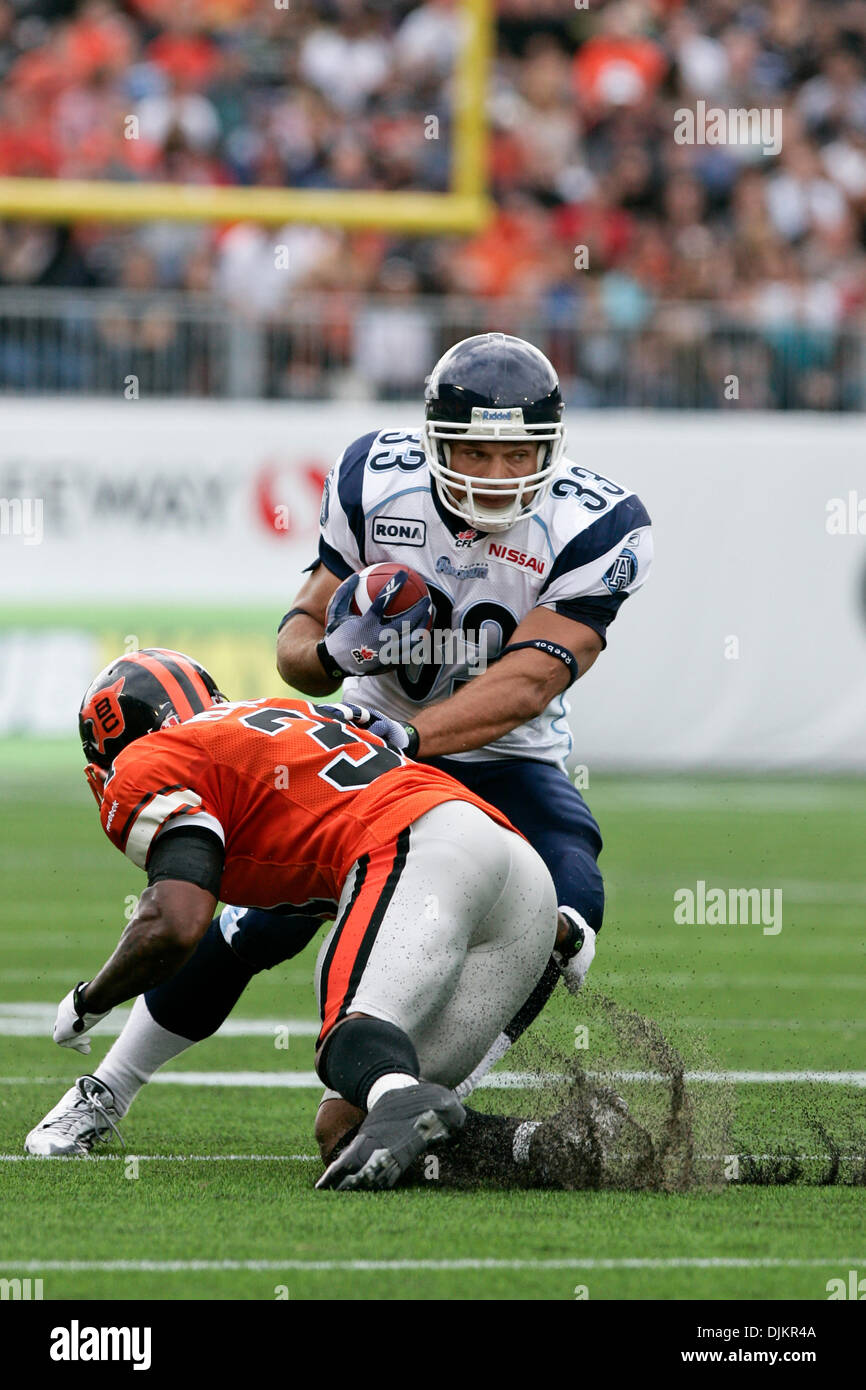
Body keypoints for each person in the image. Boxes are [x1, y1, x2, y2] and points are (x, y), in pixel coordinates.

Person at [26, 333, 652, 1159]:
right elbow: (300, 642)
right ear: (435, 441)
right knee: (253, 922)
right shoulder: (376, 478)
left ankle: (428, 1106)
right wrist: (333, 655)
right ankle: (103, 1091)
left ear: (552, 448)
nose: (498, 473)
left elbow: (530, 681)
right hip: (367, 745)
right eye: (476, 450)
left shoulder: (598, 523)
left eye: (518, 453)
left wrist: (417, 734)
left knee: (568, 914)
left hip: (509, 755)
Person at [26, 647, 559, 1190]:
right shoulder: (287, 715)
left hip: (411, 847)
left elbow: (175, 922)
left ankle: (399, 1092)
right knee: (346, 1131)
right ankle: (554, 1145)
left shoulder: (151, 761)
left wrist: (91, 999)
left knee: (352, 1037)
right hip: (520, 875)